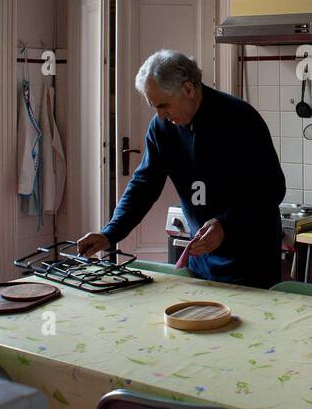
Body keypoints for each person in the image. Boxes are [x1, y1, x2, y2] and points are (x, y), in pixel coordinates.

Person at [76, 49, 285, 287]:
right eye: (154, 107)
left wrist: (225, 225)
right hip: (201, 261)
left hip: (251, 259)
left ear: (188, 89)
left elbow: (273, 189)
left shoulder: (240, 119)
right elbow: (144, 184)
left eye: (164, 105)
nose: (160, 116)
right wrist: (110, 233)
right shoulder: (161, 129)